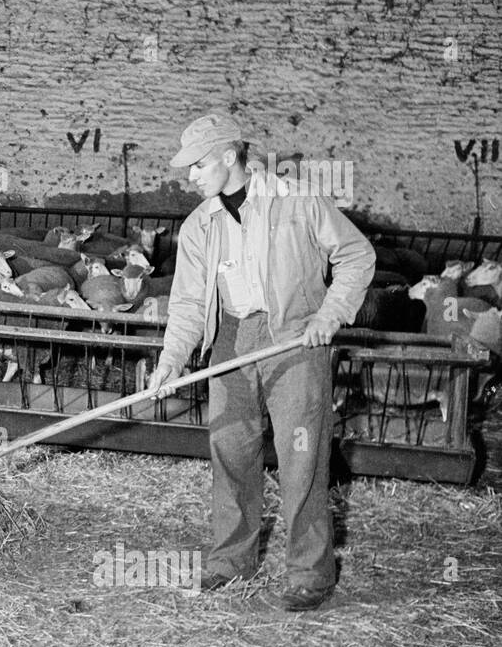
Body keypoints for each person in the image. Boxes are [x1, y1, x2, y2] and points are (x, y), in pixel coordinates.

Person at [149, 114, 375, 611]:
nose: (190, 176)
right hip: (230, 337)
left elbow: (357, 256)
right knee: (230, 448)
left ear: (229, 157)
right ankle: (231, 561)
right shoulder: (198, 226)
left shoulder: (297, 201)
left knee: (301, 458)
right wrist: (170, 361)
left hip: (293, 338)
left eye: (198, 165)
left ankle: (310, 574)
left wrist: (330, 315)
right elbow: (187, 305)